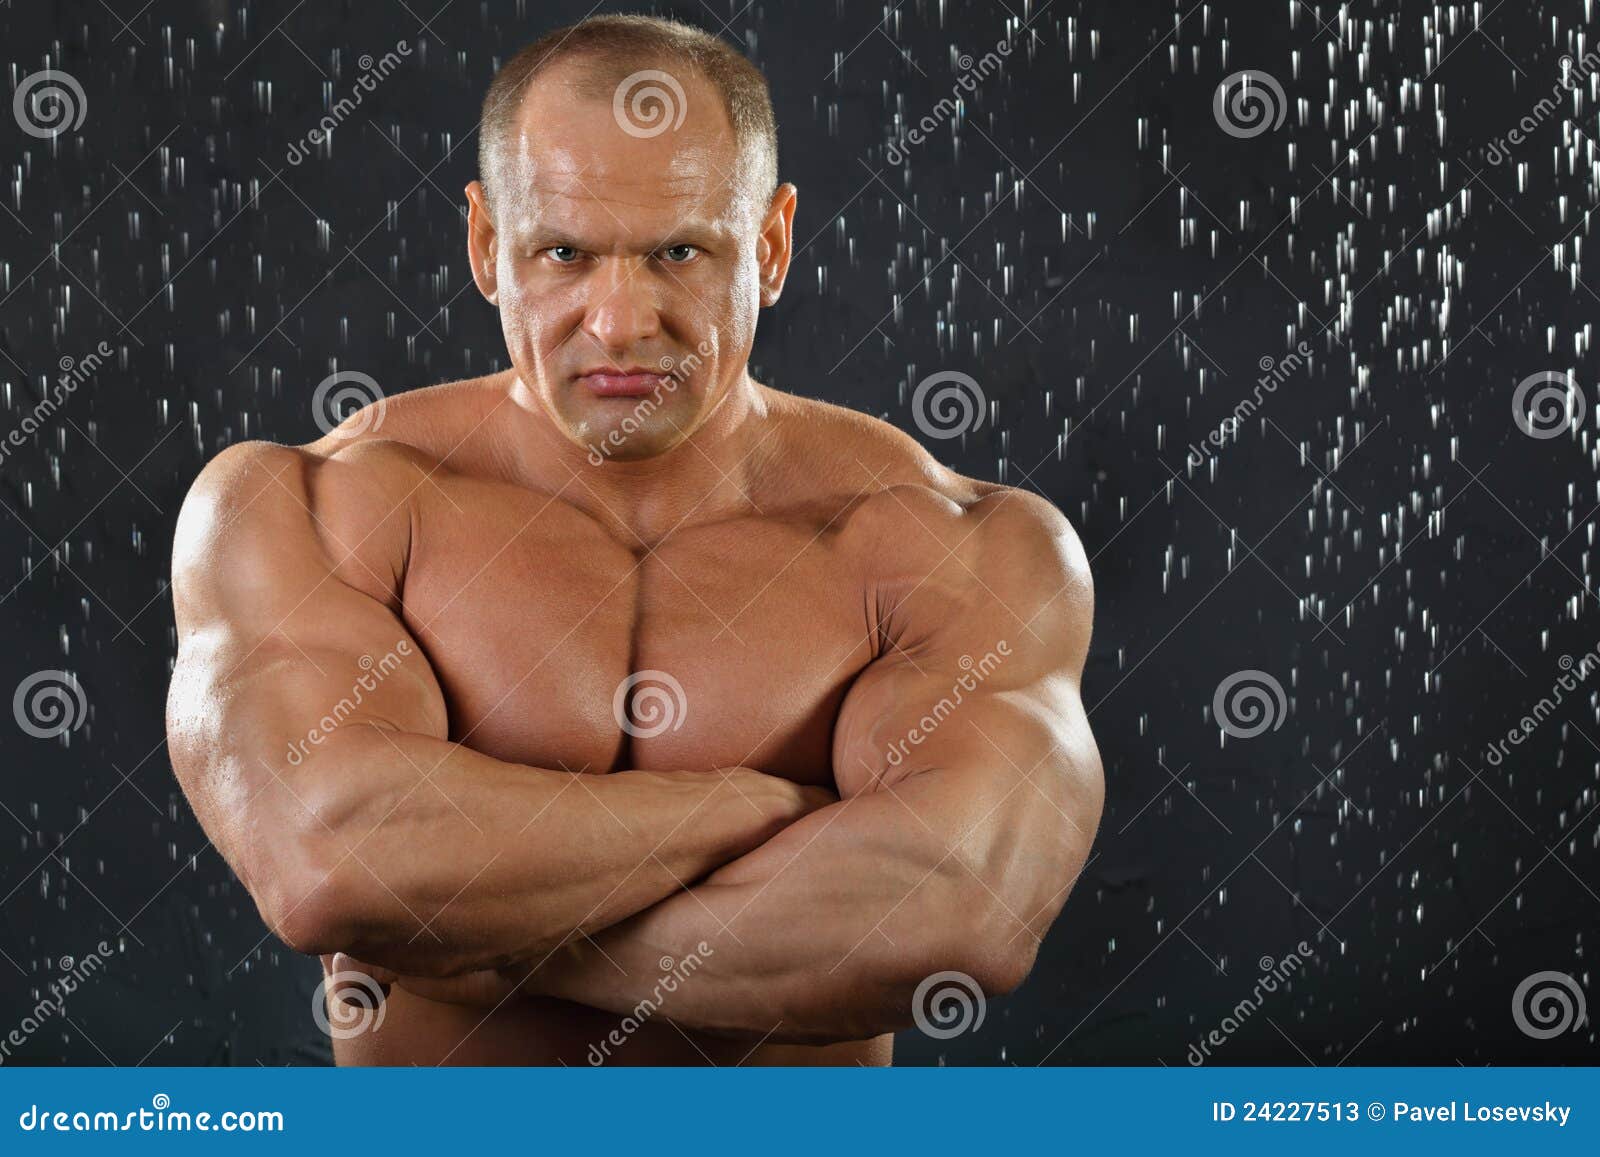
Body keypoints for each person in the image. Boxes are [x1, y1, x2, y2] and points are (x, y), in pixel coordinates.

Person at [166, 13, 1103, 1066]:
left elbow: (956, 910)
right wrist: (752, 804)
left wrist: (457, 943)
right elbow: (330, 861)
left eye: (679, 252)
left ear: (771, 244)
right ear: (485, 243)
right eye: (564, 253)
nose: (619, 322)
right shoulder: (312, 507)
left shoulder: (951, 544)